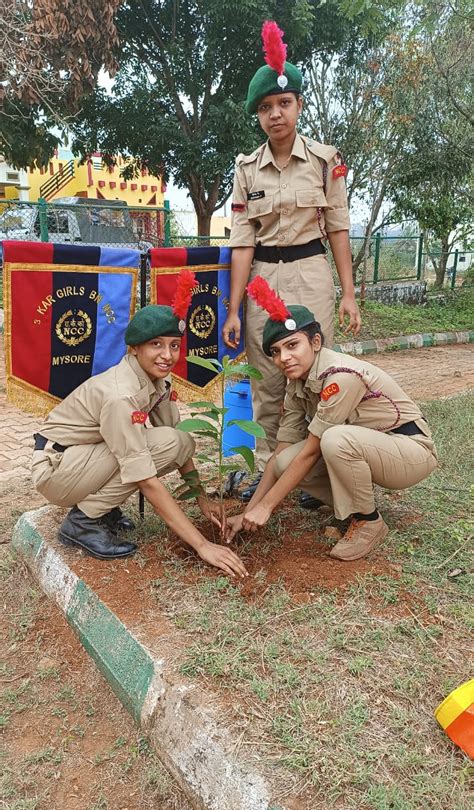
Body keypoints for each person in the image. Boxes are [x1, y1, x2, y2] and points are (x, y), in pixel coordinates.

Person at [31, 270, 248, 580]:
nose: (167, 355)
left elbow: (178, 442)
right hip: (57, 469)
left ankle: (101, 508)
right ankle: (82, 521)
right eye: (156, 345)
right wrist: (202, 546)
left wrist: (203, 501)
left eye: (174, 345)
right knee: (149, 452)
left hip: (83, 456)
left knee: (178, 440)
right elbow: (145, 477)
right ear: (134, 348)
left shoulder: (156, 378)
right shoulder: (122, 395)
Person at [222, 21, 361, 504]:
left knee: (314, 368)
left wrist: (348, 292)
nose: (275, 114)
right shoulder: (245, 169)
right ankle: (268, 470)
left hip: (312, 273)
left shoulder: (326, 162)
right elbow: (242, 241)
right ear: (257, 116)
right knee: (268, 374)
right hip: (264, 275)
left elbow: (338, 228)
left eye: (283, 104)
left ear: (298, 105)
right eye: (265, 108)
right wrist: (235, 308)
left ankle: (311, 474)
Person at [225, 276, 438, 561]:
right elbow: (280, 452)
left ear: (315, 342)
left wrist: (268, 507)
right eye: (276, 352)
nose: (284, 358)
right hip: (375, 447)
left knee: (334, 439)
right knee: (288, 458)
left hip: (411, 451)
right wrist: (252, 508)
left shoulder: (340, 375)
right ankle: (348, 508)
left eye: (292, 345)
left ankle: (369, 521)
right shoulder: (297, 384)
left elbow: (312, 451)